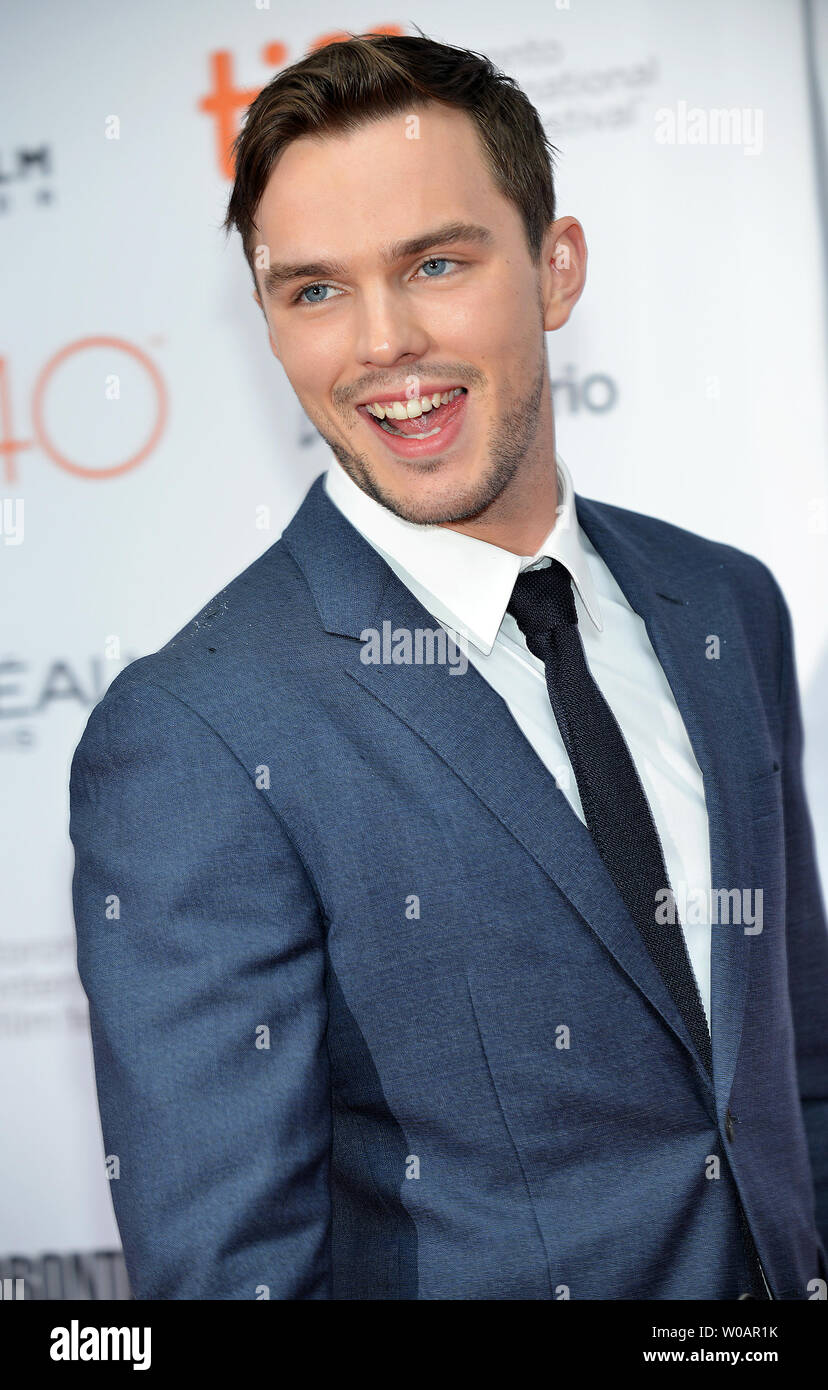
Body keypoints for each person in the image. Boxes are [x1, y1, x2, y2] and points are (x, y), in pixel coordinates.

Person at [70, 31, 828, 1300]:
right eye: (316, 290)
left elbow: (796, 1067)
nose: (384, 342)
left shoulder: (723, 604)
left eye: (434, 263)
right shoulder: (197, 733)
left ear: (556, 266)